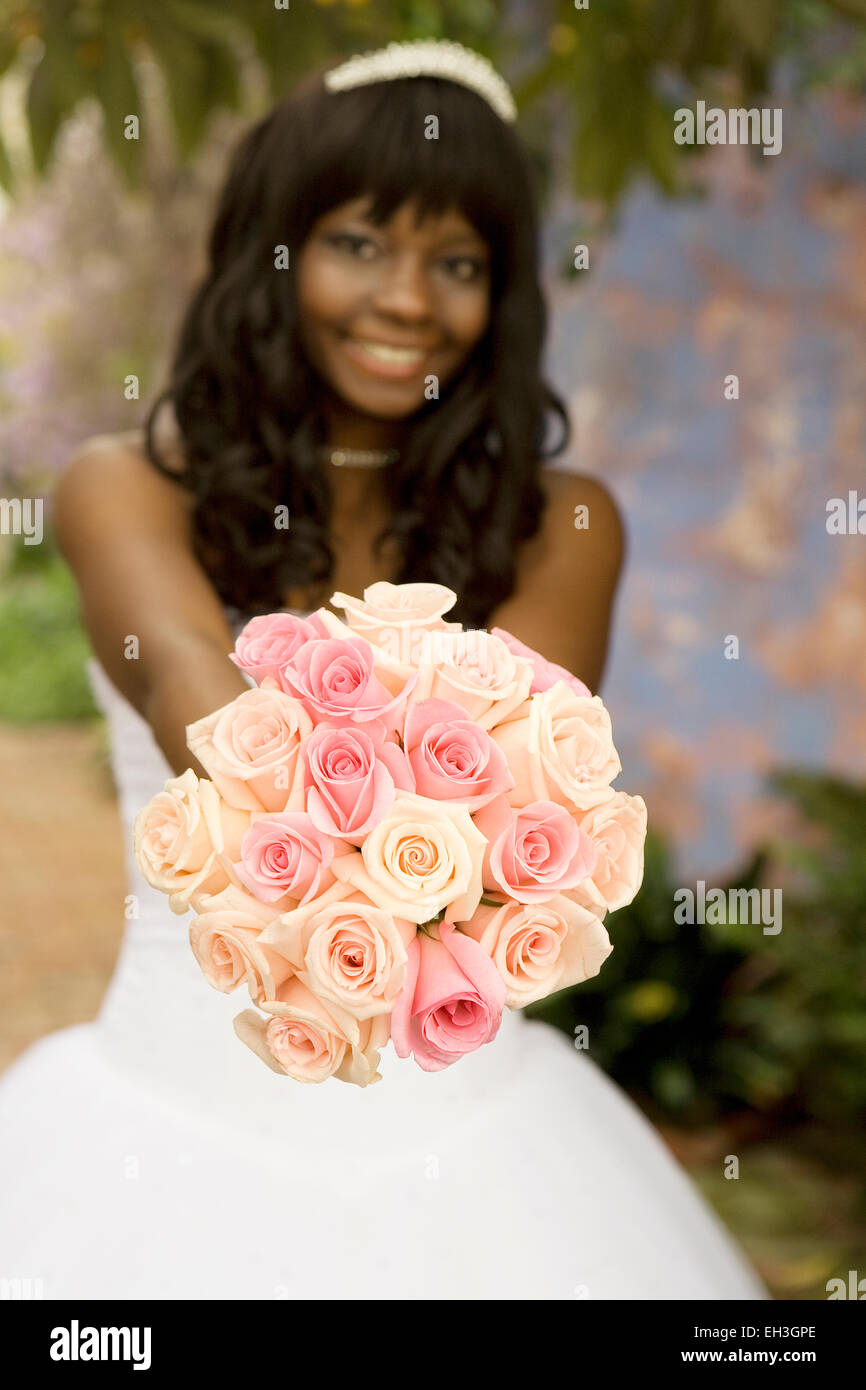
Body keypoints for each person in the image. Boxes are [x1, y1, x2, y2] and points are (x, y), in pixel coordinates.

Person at [0, 42, 767, 1299]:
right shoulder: (122, 488)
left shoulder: (563, 520)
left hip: (479, 1138)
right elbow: (194, 685)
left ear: (501, 296)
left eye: (458, 262)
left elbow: (509, 784)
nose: (409, 298)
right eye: (359, 241)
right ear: (273, 251)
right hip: (174, 1123)